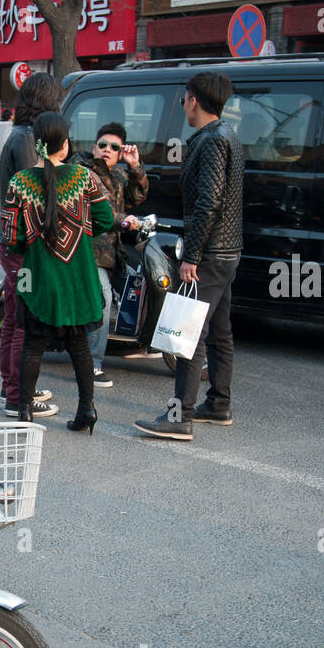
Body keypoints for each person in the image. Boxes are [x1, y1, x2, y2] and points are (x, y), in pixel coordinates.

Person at [135, 72, 243, 441]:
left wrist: (191, 256)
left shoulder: (211, 141)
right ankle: (218, 403)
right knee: (220, 331)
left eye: (184, 98)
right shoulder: (228, 135)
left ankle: (179, 416)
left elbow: (207, 204)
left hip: (209, 254)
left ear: (194, 100)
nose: (183, 104)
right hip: (228, 252)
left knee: (187, 333)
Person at [1, 112, 115, 434]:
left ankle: (24, 413)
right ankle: (87, 411)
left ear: (37, 145)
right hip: (79, 277)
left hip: (36, 278)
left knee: (32, 345)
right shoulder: (83, 178)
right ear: (64, 145)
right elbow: (106, 219)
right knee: (80, 346)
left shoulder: (19, 184)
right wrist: (79, 227)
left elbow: (12, 239)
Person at [0, 72, 63, 419]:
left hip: (16, 245)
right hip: (22, 248)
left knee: (13, 319)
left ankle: (16, 385)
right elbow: (31, 193)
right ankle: (16, 396)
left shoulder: (23, 135)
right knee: (23, 321)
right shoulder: (25, 140)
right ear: (46, 102)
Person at [82, 122, 149, 389]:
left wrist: (135, 166)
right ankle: (93, 364)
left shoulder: (119, 175)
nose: (107, 150)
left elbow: (138, 196)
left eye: (114, 147)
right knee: (104, 298)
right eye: (103, 145)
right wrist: (122, 220)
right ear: (94, 147)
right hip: (88, 252)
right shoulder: (83, 174)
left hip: (113, 254)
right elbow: (96, 214)